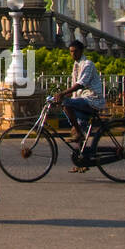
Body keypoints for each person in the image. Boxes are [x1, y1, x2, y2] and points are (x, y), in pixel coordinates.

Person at [50, 40, 105, 170]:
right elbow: (75, 90)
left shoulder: (87, 64)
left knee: (67, 106)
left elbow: (80, 84)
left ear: (81, 51)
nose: (72, 54)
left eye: (75, 51)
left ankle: (79, 133)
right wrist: (56, 98)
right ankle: (82, 162)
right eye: (71, 52)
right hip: (82, 100)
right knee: (78, 125)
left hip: (92, 100)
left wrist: (62, 95)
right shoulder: (76, 65)